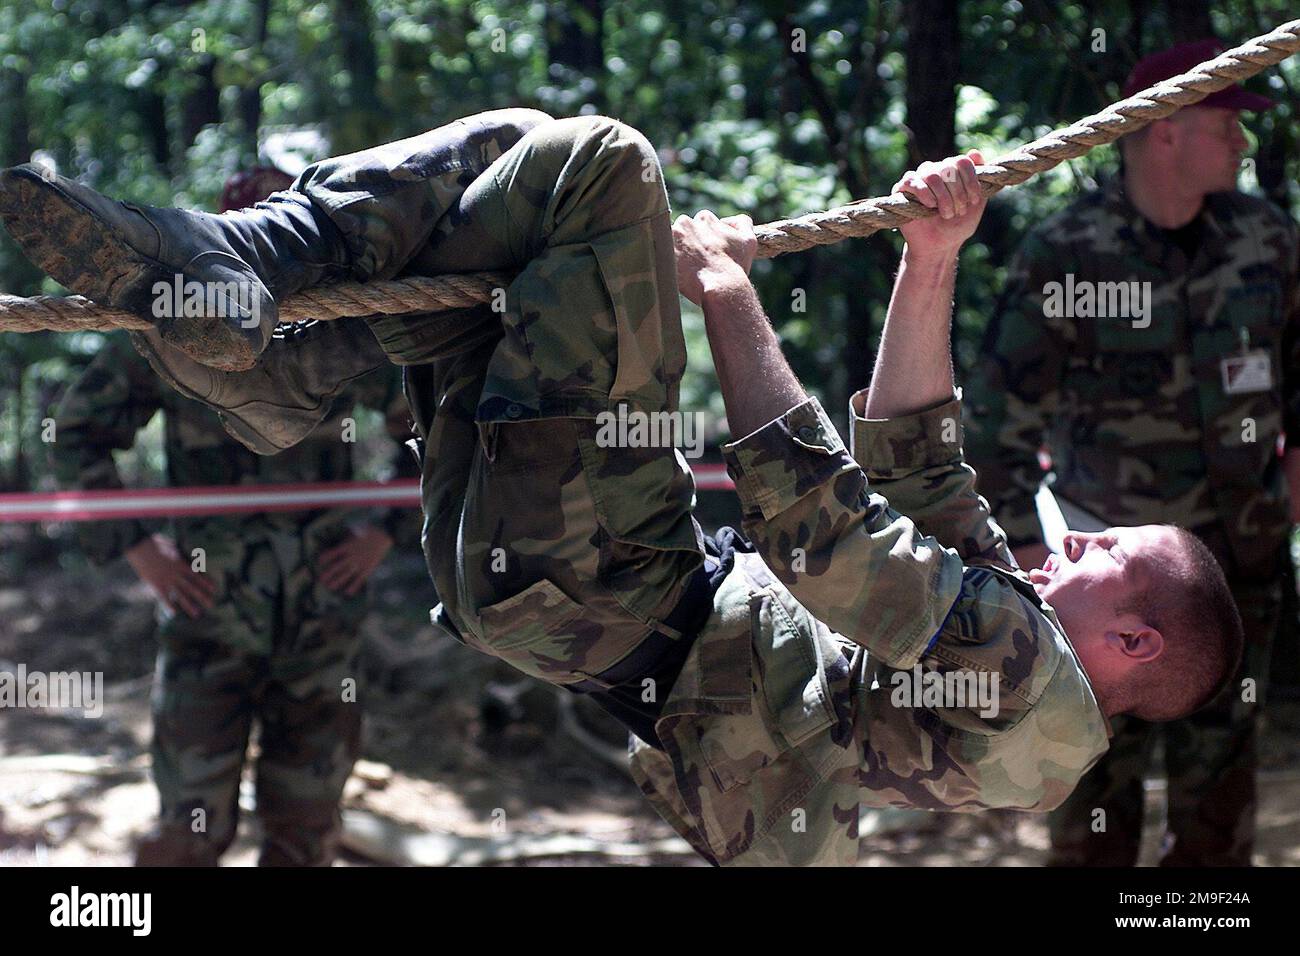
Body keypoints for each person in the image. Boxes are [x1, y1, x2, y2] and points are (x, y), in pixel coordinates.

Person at [2, 111, 1243, 865]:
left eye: (1097, 554)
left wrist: (731, 302)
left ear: (1133, 636)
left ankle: (271, 312)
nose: (1061, 548)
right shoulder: (1022, 640)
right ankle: (273, 332)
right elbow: (918, 458)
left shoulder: (1038, 687)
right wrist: (933, 255)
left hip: (610, 579)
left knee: (603, 171)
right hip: (583, 582)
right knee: (522, 194)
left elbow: (825, 536)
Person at [963, 39, 1300, 866]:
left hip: (1241, 584)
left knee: (1219, 818)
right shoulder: (1066, 255)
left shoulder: (1268, 243)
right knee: (1091, 815)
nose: (1245, 141)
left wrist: (1288, 499)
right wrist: (1037, 562)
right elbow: (996, 425)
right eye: (1229, 121)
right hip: (1104, 606)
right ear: (1168, 128)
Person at [47, 168, 414, 866]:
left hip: (320, 618)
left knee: (304, 832)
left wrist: (380, 535)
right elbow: (77, 434)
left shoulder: (341, 326)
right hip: (208, 617)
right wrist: (139, 551)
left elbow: (429, 428)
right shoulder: (169, 326)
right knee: (187, 832)